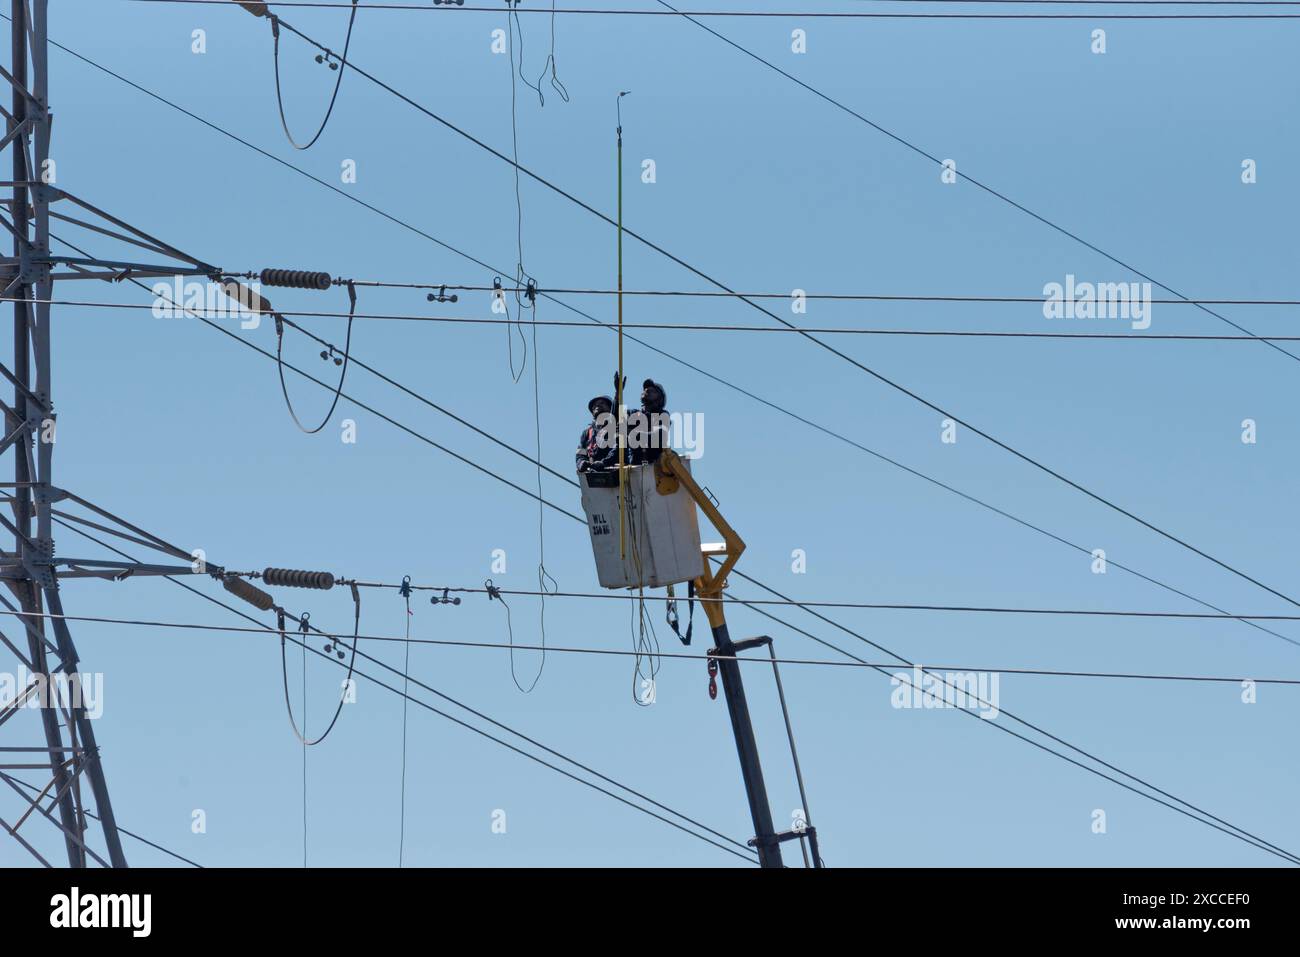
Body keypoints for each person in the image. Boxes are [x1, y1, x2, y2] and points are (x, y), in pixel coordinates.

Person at [627, 378, 669, 465]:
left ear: (660, 399)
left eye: (652, 391)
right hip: (634, 466)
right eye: (646, 390)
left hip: (655, 467)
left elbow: (659, 436)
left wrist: (634, 434)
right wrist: (617, 394)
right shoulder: (632, 413)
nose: (647, 391)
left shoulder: (662, 414)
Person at [576, 394, 617, 472]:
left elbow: (617, 450)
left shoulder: (615, 428)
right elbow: (580, 453)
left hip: (612, 474)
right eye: (595, 405)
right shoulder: (587, 433)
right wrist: (581, 463)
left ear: (610, 409)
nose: (597, 405)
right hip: (593, 476)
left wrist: (604, 463)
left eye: (602, 403)